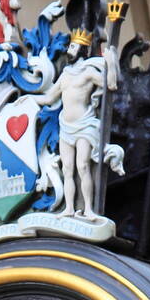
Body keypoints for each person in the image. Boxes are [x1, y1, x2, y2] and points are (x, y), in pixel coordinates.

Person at [35, 29, 123, 217]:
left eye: (74, 47)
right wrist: (26, 100)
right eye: (70, 46)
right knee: (67, 168)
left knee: (82, 166)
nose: (70, 50)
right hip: (66, 126)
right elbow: (50, 97)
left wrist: (111, 63)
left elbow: (111, 85)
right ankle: (68, 208)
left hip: (85, 125)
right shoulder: (66, 74)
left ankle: (89, 210)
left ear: (82, 50)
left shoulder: (89, 73)